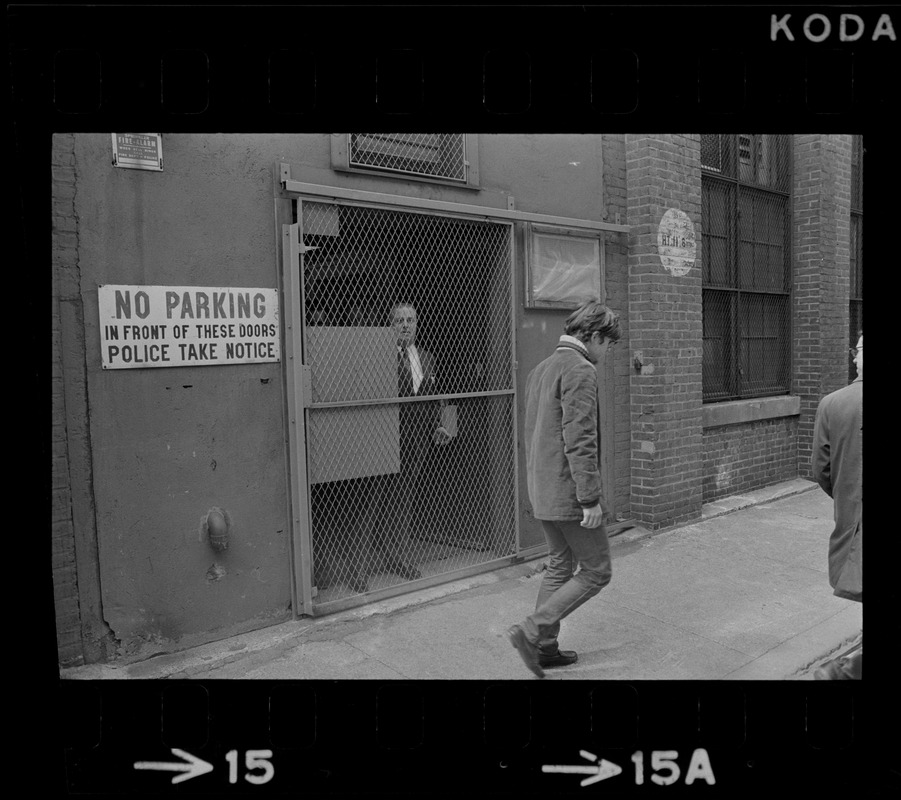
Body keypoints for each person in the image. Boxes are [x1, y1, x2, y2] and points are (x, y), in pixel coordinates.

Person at [507, 299, 621, 678]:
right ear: (591, 336)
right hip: (569, 491)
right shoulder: (580, 369)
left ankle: (545, 649)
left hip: (542, 488)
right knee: (597, 571)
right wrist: (589, 498)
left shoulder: (541, 369)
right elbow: (580, 438)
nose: (607, 351)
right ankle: (531, 631)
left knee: (560, 563)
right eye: (607, 343)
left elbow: (534, 433)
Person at [364, 302, 450, 586]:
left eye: (410, 320)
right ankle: (361, 561)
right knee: (374, 497)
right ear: (390, 325)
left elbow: (433, 395)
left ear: (417, 323)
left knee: (404, 497)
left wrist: (439, 423)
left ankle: (398, 554)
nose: (405, 325)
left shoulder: (426, 357)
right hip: (384, 438)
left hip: (416, 440)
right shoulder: (379, 356)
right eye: (399, 320)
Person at [811, 332, 863, 680]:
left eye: (855, 351)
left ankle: (844, 671)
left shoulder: (833, 404)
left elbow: (822, 470)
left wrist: (847, 496)